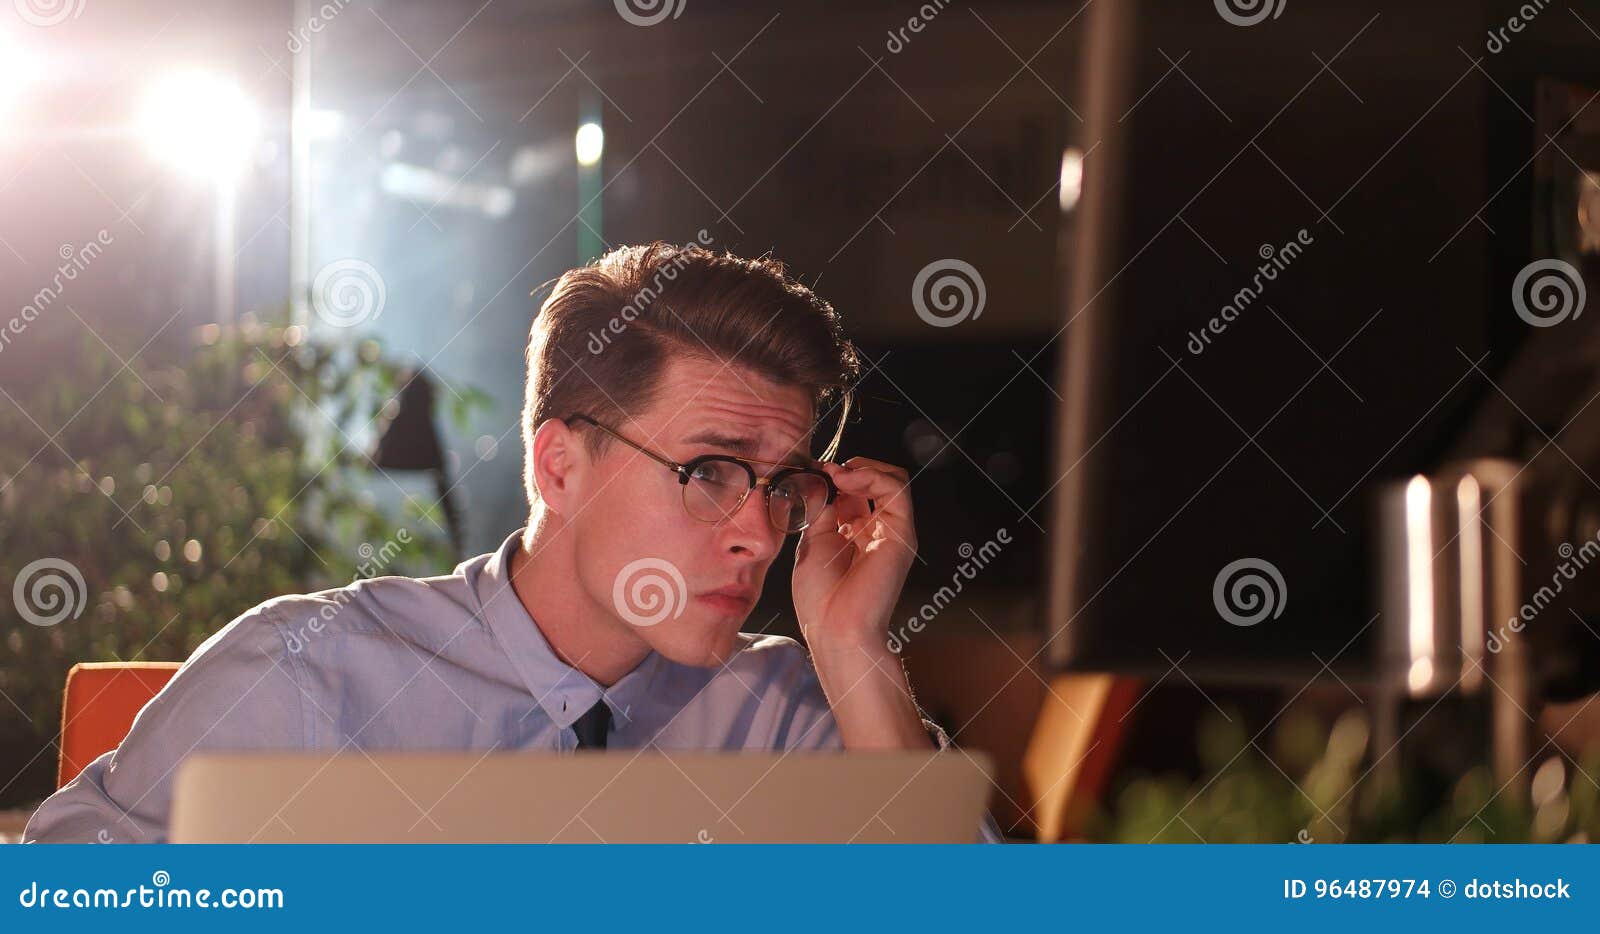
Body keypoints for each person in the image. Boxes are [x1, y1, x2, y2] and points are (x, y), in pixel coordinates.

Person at [24, 241, 1002, 844]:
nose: (756, 533)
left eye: (783, 485)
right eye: (708, 470)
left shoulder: (782, 709)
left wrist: (853, 650)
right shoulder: (310, 675)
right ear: (559, 467)